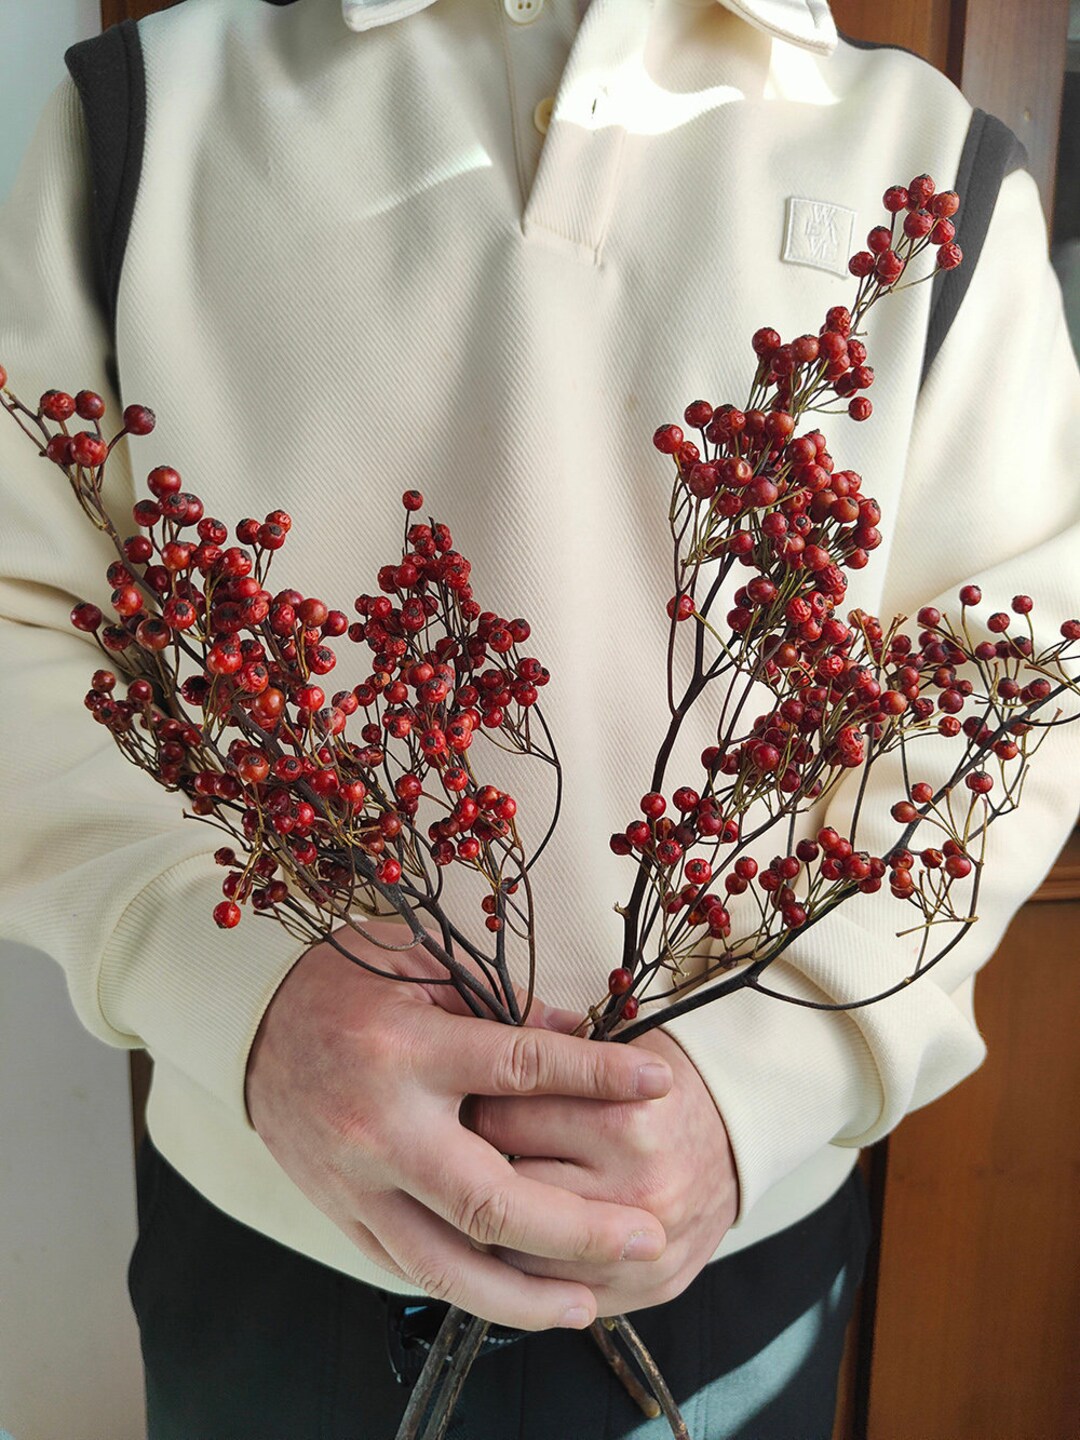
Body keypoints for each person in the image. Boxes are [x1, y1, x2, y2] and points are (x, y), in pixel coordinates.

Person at [2, 0, 1078, 1435]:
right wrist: (246, 1001)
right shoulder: (156, 104)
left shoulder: (933, 165)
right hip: (276, 1232)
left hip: (726, 1252)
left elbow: (1008, 696)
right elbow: (25, 620)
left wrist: (760, 1077)